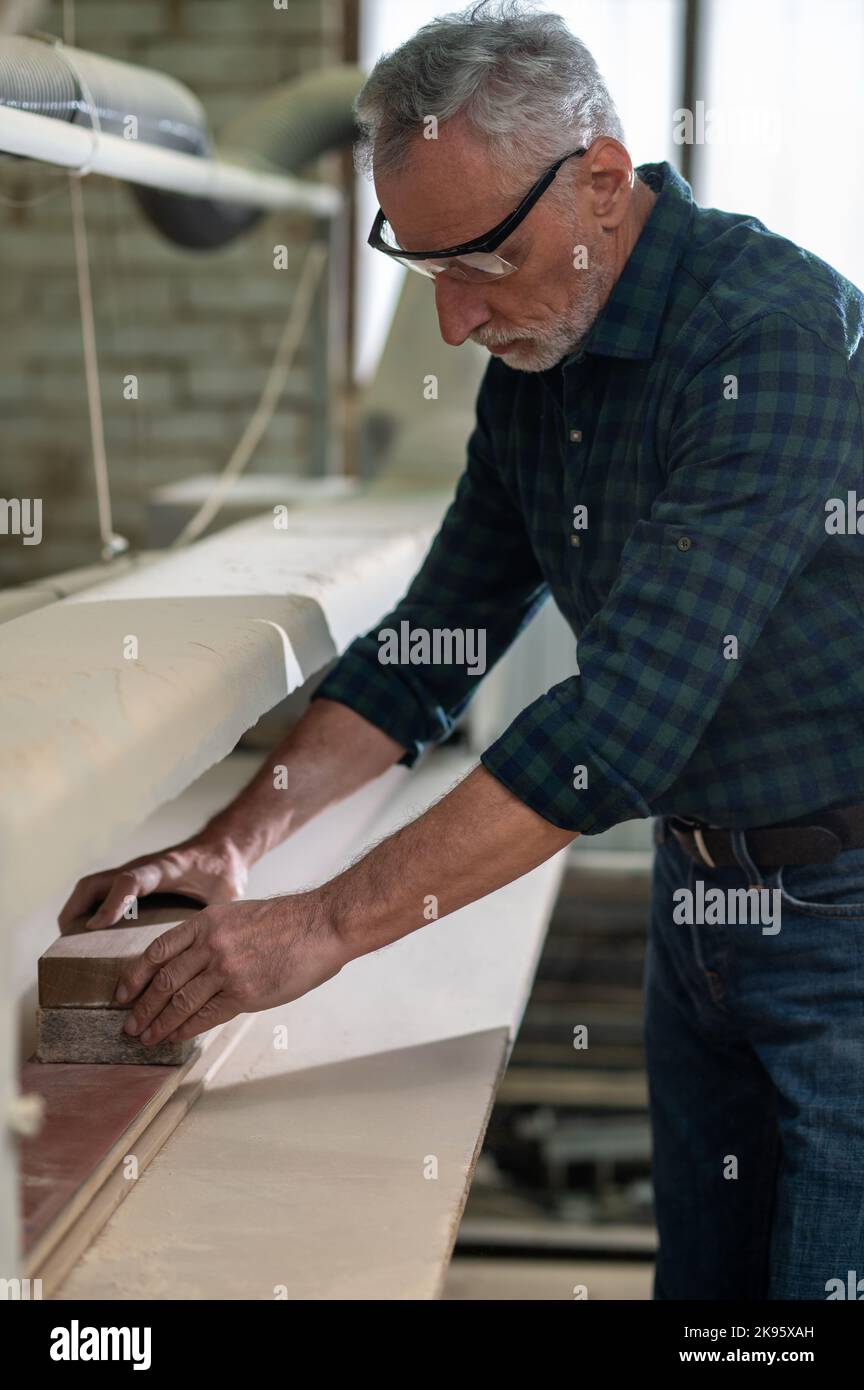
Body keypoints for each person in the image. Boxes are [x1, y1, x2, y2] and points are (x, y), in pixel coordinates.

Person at [60, 2, 864, 1300]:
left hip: (845, 918)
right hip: (704, 899)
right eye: (428, 272)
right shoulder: (538, 370)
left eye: (481, 262)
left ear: (603, 180)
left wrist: (322, 923)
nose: (453, 325)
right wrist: (238, 841)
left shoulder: (770, 338)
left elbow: (623, 722)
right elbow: (428, 649)